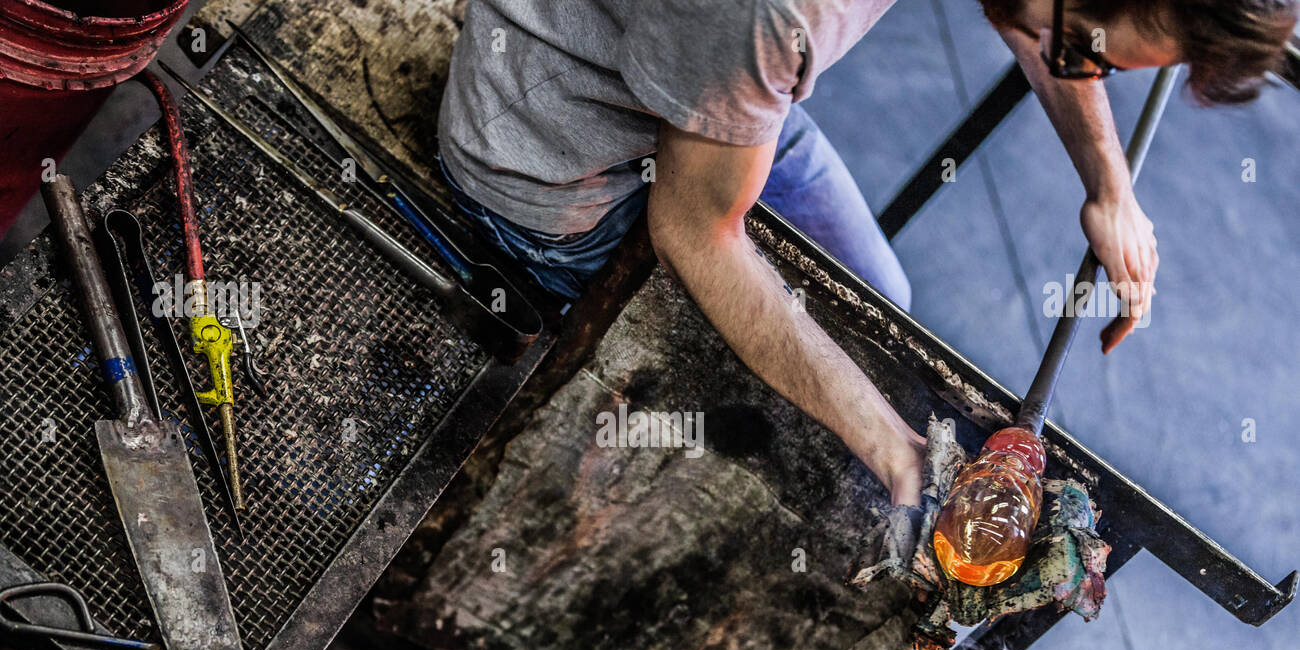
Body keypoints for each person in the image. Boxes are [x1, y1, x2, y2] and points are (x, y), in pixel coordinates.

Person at [437, 0, 1298, 507]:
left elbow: (1032, 12)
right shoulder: (778, 16)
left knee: (877, 303)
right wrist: (891, 447)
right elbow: (697, 234)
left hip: (713, 97)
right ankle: (517, 557)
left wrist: (1110, 187)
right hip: (561, 153)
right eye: (1082, 53)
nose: (1074, 69)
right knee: (711, 418)